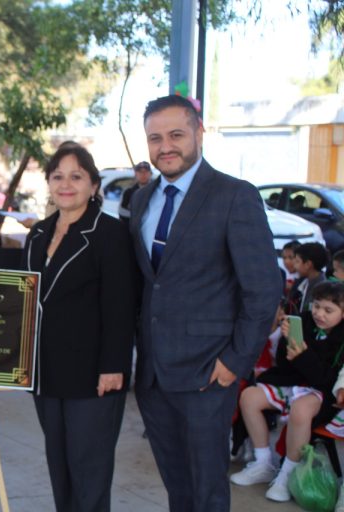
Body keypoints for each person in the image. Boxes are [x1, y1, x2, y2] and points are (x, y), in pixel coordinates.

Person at [128, 94, 280, 512]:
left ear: (199, 133)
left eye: (176, 134)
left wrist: (234, 362)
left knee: (208, 491)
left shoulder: (235, 196)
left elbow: (264, 289)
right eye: (155, 138)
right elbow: (150, 286)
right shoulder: (142, 199)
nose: (165, 146)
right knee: (178, 488)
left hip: (209, 373)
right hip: (155, 375)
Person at [22, 143, 136, 511]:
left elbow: (120, 306)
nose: (66, 184)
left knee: (90, 470)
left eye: (76, 176)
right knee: (60, 466)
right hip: (46, 372)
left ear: (93, 184)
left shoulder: (110, 233)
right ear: (49, 183)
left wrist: (114, 366)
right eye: (58, 176)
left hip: (93, 375)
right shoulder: (38, 233)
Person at [230, 281, 344, 502]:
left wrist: (303, 356)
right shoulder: (302, 321)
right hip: (295, 381)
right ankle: (263, 461)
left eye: (328, 310)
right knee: (249, 396)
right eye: (316, 306)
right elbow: (284, 365)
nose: (319, 314)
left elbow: (327, 379)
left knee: (301, 410)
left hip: (325, 391)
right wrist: (287, 341)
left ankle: (287, 475)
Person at [289, 242, 328, 314]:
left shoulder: (321, 289)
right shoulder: (303, 281)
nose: (294, 265)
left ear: (308, 264)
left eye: (297, 261)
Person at [118, 160, 153, 224]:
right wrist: (137, 216)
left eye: (145, 172)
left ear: (150, 174)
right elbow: (122, 211)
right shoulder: (128, 192)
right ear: (136, 174)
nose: (143, 174)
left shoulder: (157, 190)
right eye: (140, 172)